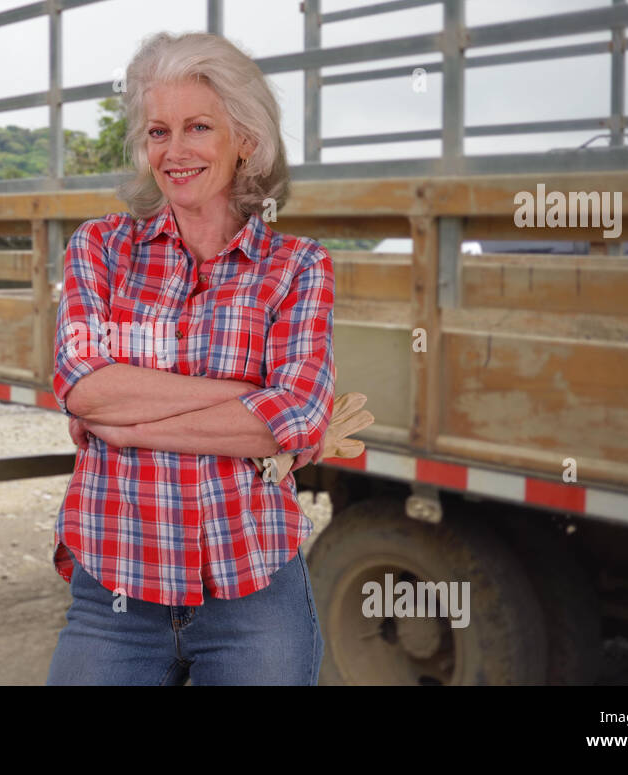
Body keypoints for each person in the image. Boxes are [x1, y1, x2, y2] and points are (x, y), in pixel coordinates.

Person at [46, 31, 370, 685]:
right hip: (117, 588)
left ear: (245, 139)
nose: (174, 150)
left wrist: (128, 415)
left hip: (253, 590)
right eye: (158, 131)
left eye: (198, 126)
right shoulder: (101, 249)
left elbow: (302, 417)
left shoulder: (297, 266)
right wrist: (246, 396)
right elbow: (84, 385)